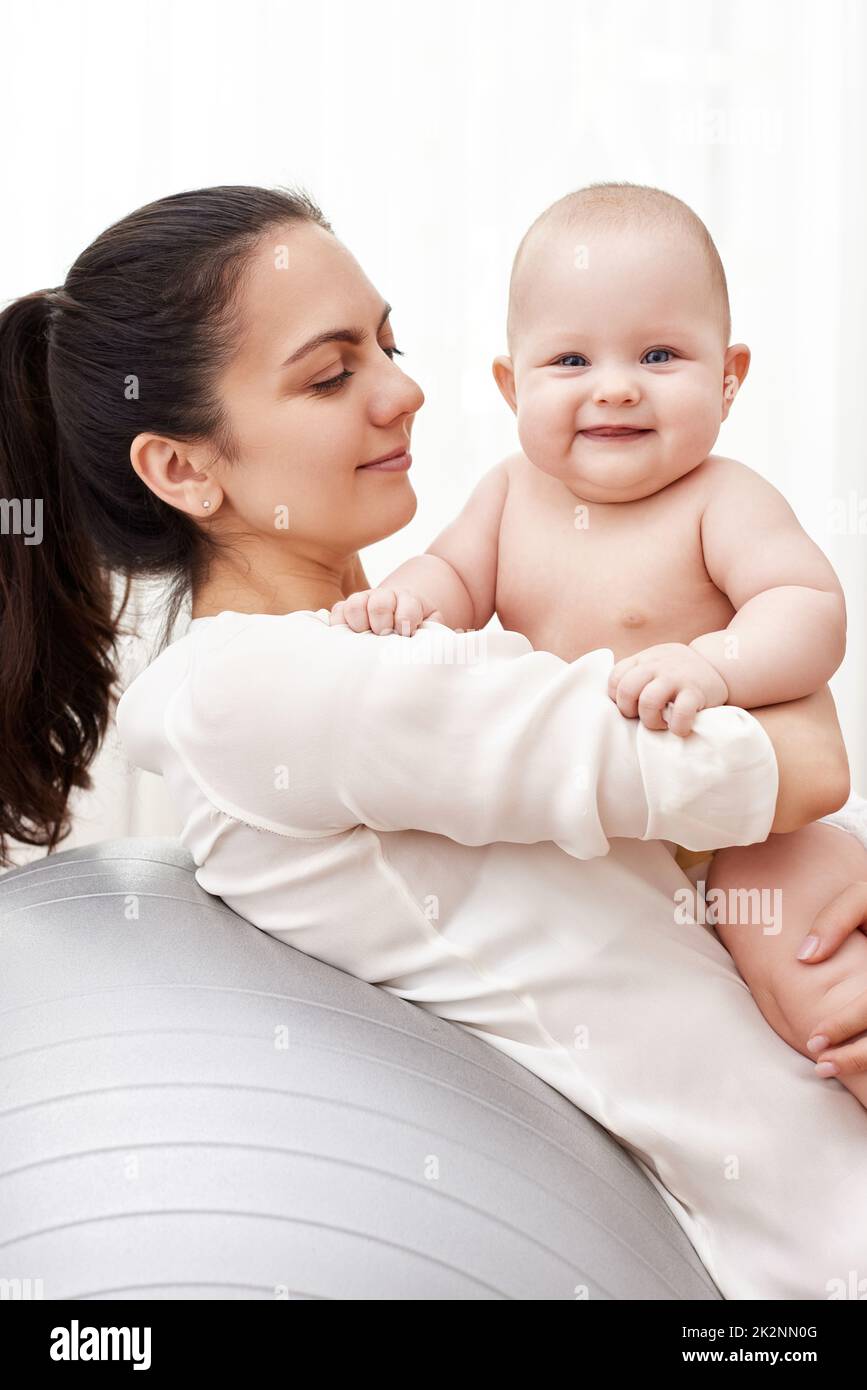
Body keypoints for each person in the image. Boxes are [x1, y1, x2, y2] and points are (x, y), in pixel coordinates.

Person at [0, 184, 863, 1299]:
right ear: (183, 469)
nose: (404, 391)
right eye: (332, 372)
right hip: (803, 1231)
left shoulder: (385, 645)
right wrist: (758, 689)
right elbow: (796, 765)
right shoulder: (266, 691)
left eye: (389, 343)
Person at [328, 181, 867, 1109]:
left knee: (819, 981)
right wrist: (404, 602)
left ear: (729, 377)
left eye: (660, 354)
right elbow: (452, 579)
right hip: (594, 844)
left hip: (750, 836)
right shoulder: (507, 498)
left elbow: (806, 606)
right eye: (570, 359)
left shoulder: (720, 498)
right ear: (511, 386)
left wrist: (714, 664)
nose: (614, 385)